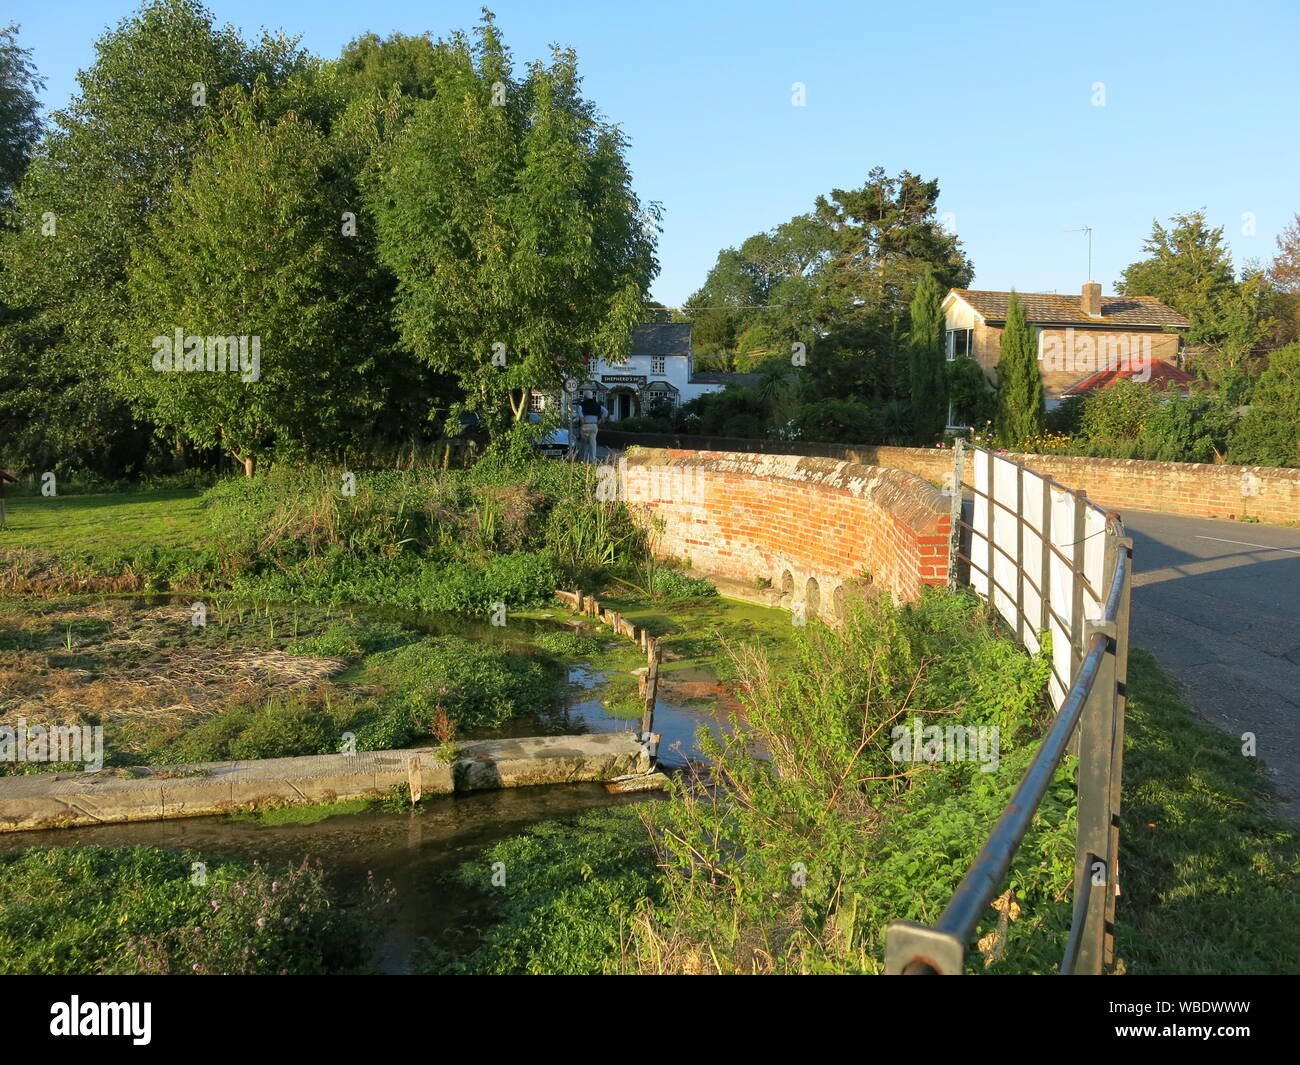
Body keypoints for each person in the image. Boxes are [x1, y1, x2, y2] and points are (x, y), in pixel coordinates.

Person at [578, 391, 606, 462]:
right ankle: (592, 460)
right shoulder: (597, 405)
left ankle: (582, 460)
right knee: (593, 443)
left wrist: (581, 418)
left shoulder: (582, 404)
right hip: (594, 425)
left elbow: (579, 410)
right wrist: (601, 419)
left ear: (585, 397)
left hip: (585, 425)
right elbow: (606, 411)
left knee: (584, 443)